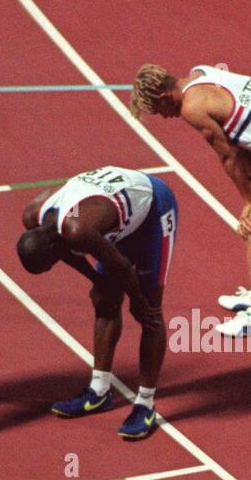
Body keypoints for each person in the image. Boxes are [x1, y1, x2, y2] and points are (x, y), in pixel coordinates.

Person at [129, 63, 251, 338]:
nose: (163, 117)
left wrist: (250, 199)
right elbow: (238, 143)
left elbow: (228, 155)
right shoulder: (202, 72)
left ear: (163, 96)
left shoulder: (191, 107)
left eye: (157, 110)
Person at [17, 166, 178, 440]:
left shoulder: (78, 229)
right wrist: (96, 279)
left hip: (152, 212)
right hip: (109, 219)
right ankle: (99, 391)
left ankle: (146, 404)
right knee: (105, 301)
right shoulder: (34, 216)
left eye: (49, 266)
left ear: (53, 250)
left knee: (149, 313)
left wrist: (138, 302)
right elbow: (69, 252)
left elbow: (124, 267)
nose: (55, 268)